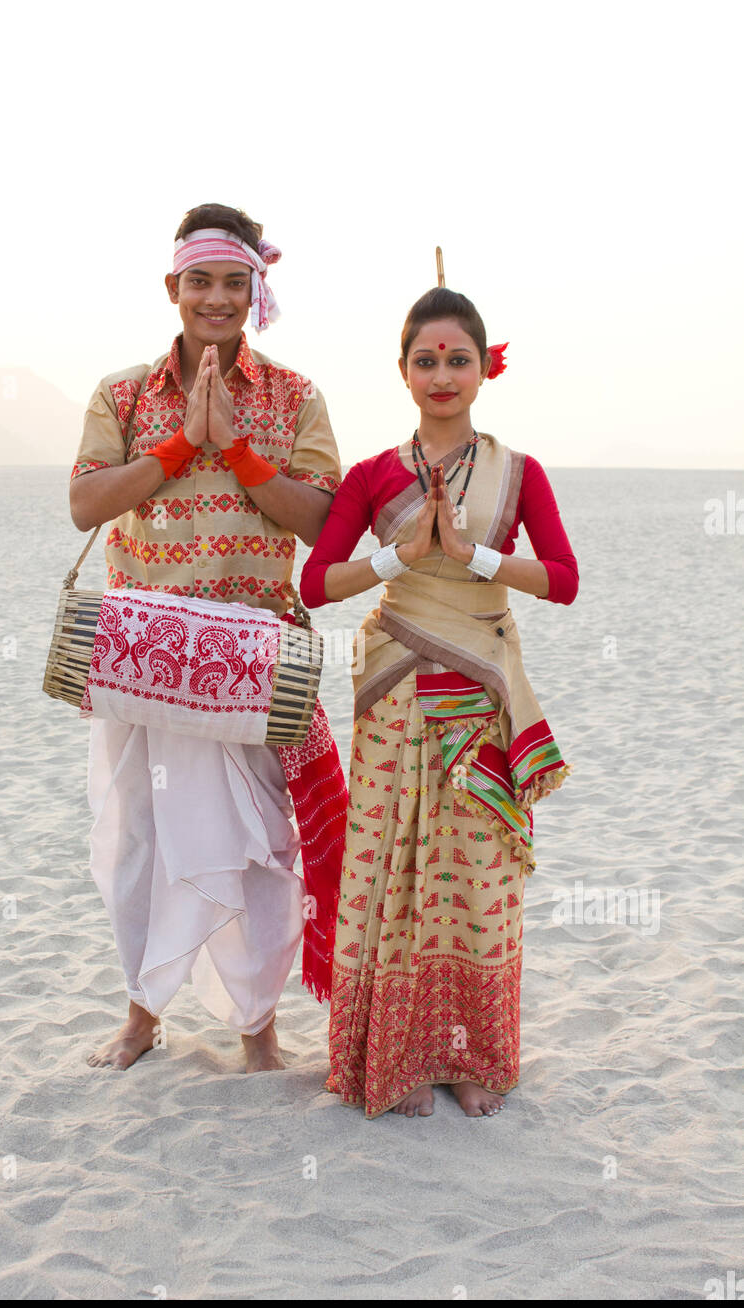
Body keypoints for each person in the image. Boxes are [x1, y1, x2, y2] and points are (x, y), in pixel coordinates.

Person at [69, 202, 342, 1073]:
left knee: (261, 846)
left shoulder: (296, 396)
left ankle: (256, 1027)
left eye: (234, 282)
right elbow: (85, 504)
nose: (216, 299)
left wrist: (244, 455)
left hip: (251, 665)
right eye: (201, 282)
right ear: (173, 288)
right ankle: (142, 1015)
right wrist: (185, 443)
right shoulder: (121, 393)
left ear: (255, 286)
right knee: (139, 840)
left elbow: (326, 521)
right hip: (146, 658)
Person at [299, 287, 578, 1118]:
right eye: (428, 360)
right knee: (390, 871)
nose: (443, 374)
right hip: (394, 690)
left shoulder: (518, 475)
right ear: (403, 372)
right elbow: (314, 585)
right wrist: (399, 557)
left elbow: (563, 582)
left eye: (459, 359)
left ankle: (467, 1056)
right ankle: (400, 1056)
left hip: (479, 695)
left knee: (472, 880)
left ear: (484, 369)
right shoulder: (373, 475)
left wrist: (477, 556)